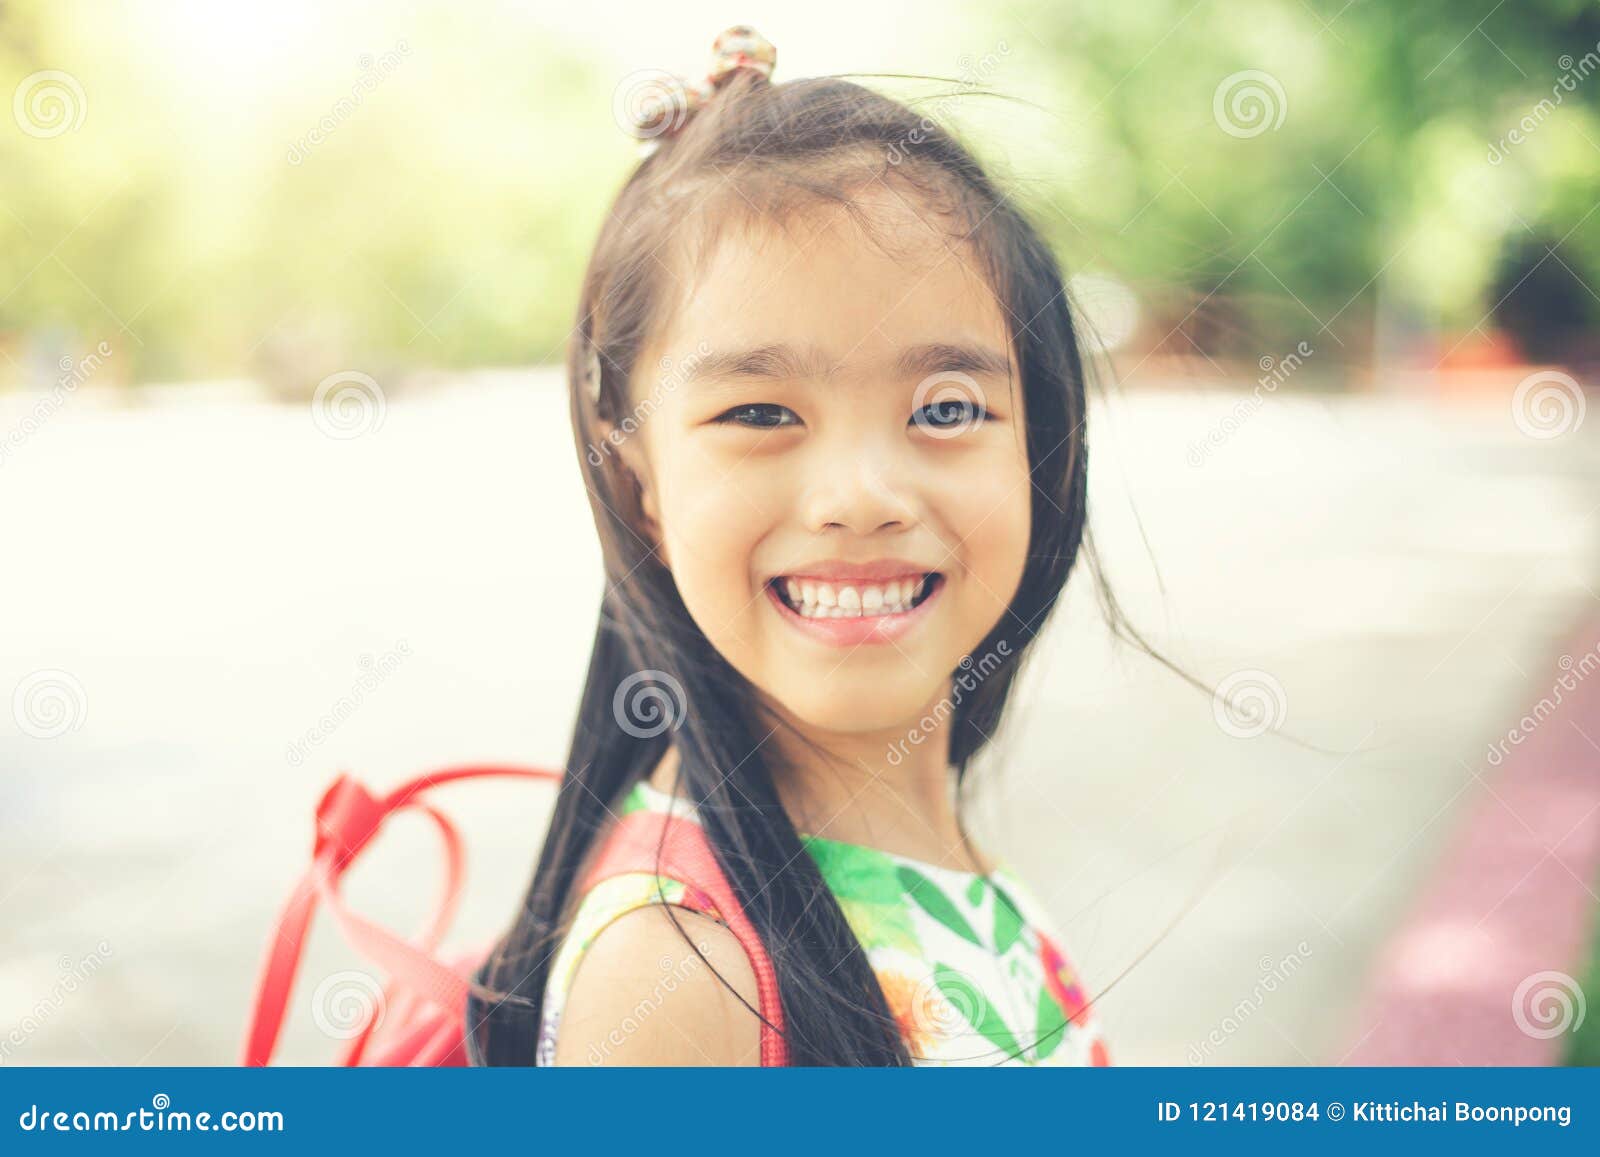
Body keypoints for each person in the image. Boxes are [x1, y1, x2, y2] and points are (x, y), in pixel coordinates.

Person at [468, 25, 1112, 1067]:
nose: (860, 496)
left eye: (946, 407)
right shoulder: (677, 969)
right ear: (641, 491)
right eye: (760, 413)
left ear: (1040, 441)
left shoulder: (916, 829)